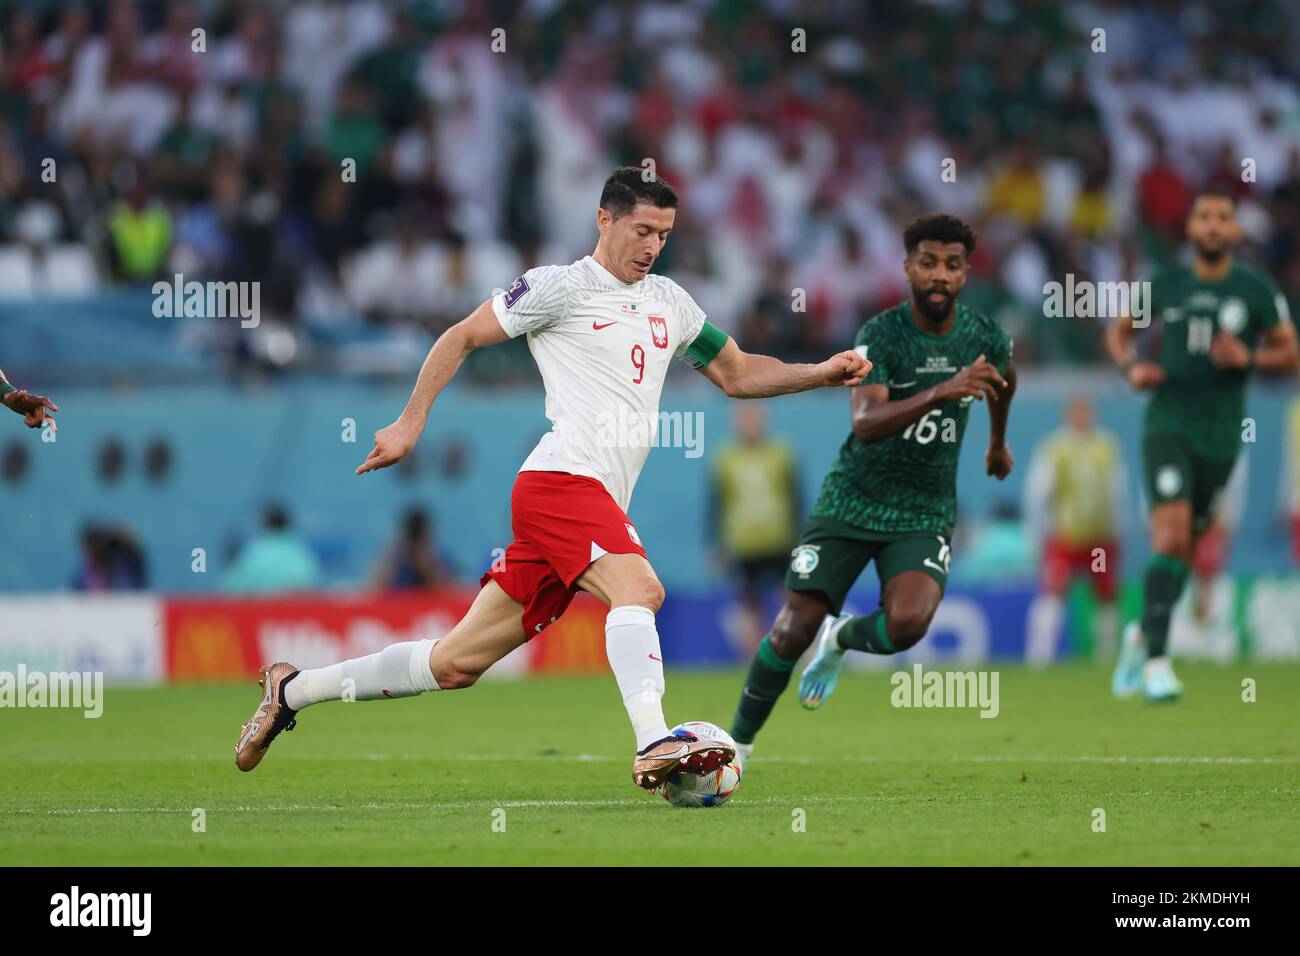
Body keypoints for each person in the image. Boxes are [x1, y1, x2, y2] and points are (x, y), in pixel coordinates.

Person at [233, 166, 870, 790]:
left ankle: (293, 689)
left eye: (664, 235)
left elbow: (736, 373)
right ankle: (653, 739)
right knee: (640, 589)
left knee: (454, 664)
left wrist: (819, 372)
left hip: (585, 502)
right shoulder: (558, 288)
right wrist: (407, 424)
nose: (652, 246)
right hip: (561, 482)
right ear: (604, 219)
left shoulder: (670, 302)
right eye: (642, 230)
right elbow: (460, 337)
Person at [727, 213, 1016, 762]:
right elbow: (865, 421)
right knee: (791, 630)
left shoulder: (985, 337)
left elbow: (1005, 380)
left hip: (924, 508)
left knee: (907, 624)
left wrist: (997, 442)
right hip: (853, 498)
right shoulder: (881, 335)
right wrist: (945, 389)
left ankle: (840, 641)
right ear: (908, 267)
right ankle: (736, 749)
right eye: (927, 262)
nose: (939, 275)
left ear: (965, 273)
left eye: (952, 265)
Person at [1104, 184, 1299, 702]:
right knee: (1168, 537)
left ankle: (1141, 635)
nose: (1213, 225)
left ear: (1234, 230)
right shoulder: (1165, 283)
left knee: (1187, 546)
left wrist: (1249, 360)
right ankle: (1158, 666)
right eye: (1204, 216)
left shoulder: (1255, 290)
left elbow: (1291, 353)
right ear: (1190, 228)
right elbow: (1119, 332)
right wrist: (1132, 367)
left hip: (1222, 436)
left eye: (1222, 217)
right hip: (1167, 423)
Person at [1023, 395, 1127, 661]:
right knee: (1054, 590)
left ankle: (1107, 654)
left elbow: (1118, 491)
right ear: (1068, 415)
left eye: (1087, 412)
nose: (1083, 418)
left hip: (1099, 540)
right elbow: (1037, 493)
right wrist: (1039, 533)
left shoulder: (1106, 446)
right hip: (1065, 537)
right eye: (1078, 412)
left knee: (1105, 593)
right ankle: (1040, 655)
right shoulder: (1055, 448)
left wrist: (1119, 529)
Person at [710, 404, 800, 654]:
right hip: (743, 543)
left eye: (754, 419)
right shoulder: (726, 458)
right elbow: (716, 503)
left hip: (779, 539)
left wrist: (800, 539)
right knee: (750, 605)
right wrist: (716, 545)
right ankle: (753, 661)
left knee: (791, 599)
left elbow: (795, 499)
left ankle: (790, 653)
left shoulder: (781, 454)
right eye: (745, 420)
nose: (750, 425)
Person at [221, 504, 322, 594]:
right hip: (292, 609)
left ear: (264, 524)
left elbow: (233, 586)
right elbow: (310, 582)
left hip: (258, 608)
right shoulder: (299, 551)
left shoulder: (256, 550)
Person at [371, 508, 457, 590]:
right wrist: (390, 560)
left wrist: (429, 567)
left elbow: (454, 592)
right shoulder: (396, 557)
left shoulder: (438, 556)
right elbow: (373, 589)